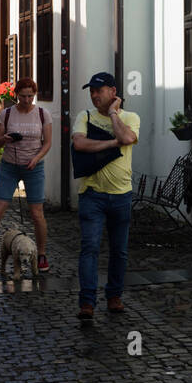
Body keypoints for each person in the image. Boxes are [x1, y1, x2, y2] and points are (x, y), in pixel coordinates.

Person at [71, 71, 139, 319]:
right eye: (91, 91)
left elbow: (128, 137)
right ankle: (87, 302)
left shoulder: (130, 117)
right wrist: (112, 144)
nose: (94, 95)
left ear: (113, 92)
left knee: (119, 250)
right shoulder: (84, 116)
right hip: (92, 195)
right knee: (89, 248)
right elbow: (80, 144)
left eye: (98, 91)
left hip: (121, 195)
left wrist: (113, 114)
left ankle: (114, 296)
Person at [0, 77, 53, 273]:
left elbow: (47, 143)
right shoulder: (7, 114)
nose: (27, 100)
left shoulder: (43, 114)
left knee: (37, 213)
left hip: (34, 167)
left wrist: (36, 159)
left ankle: (41, 254)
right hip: (9, 166)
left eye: (31, 96)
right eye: (23, 96)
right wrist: (5, 139)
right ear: (16, 95)